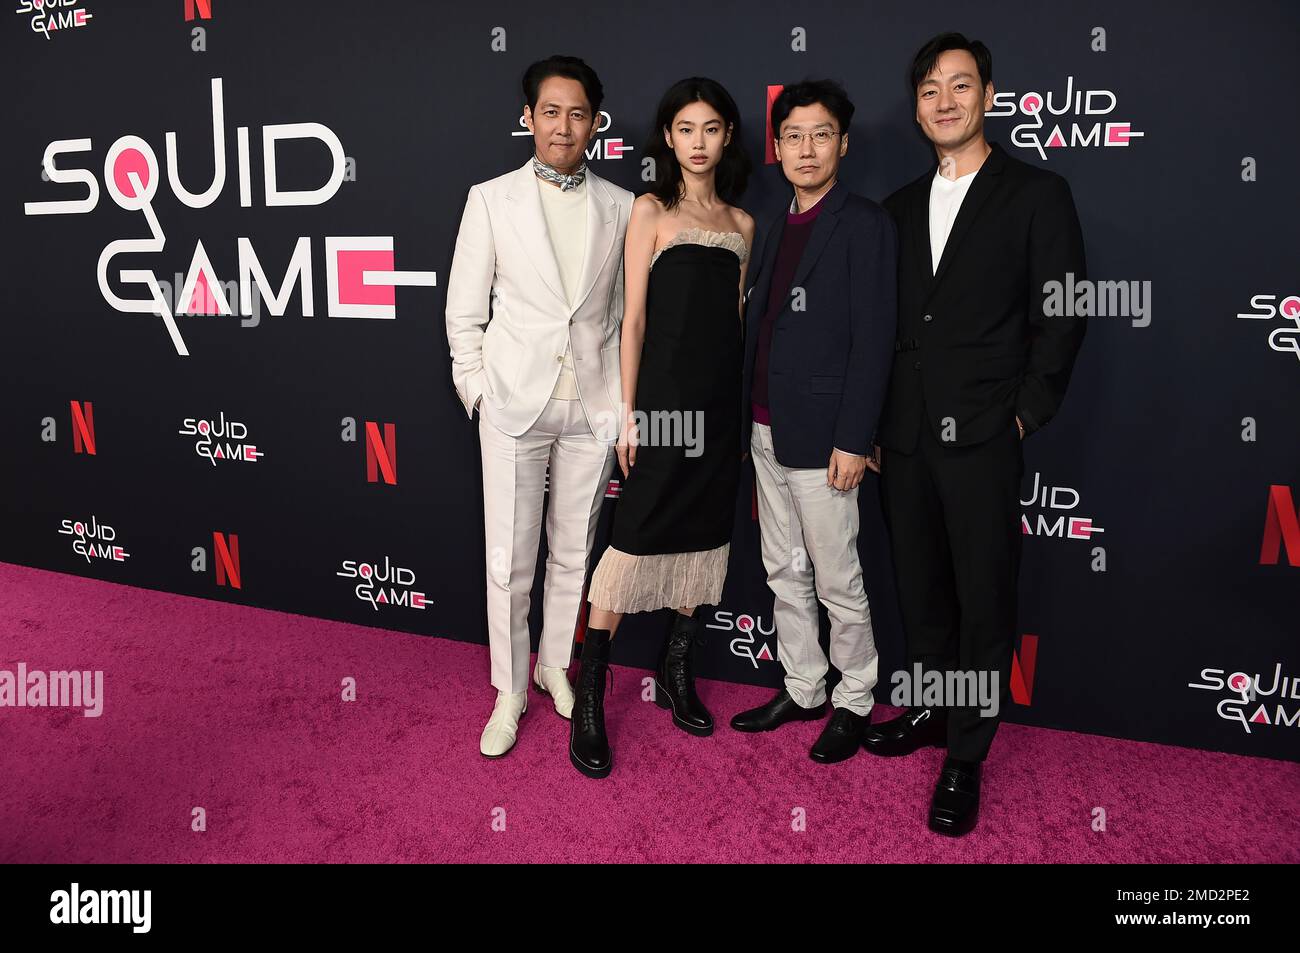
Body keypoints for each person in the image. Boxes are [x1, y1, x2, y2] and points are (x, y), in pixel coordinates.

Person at [864, 33, 1087, 836]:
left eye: (961, 86)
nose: (945, 102)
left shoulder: (1036, 194)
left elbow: (1061, 313)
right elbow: (888, 329)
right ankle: (931, 709)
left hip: (986, 436)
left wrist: (1025, 412)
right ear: (918, 104)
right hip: (906, 440)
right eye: (930, 89)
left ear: (988, 95)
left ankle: (966, 752)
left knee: (983, 598)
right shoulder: (894, 208)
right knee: (922, 592)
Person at [444, 55, 633, 759]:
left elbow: (615, 316)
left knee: (574, 552)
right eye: (549, 111)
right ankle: (509, 690)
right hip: (514, 403)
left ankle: (556, 663)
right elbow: (463, 311)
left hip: (590, 405)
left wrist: (616, 405)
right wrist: (478, 391)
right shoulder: (491, 199)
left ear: (595, 121)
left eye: (577, 113)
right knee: (510, 560)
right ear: (528, 117)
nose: (563, 125)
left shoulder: (621, 204)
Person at [569, 77, 754, 779]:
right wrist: (628, 413)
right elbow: (634, 321)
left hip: (718, 412)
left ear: (727, 135)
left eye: (712, 127)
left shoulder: (743, 226)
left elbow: (733, 324)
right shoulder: (650, 210)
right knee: (633, 542)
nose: (699, 141)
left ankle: (680, 672)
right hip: (661, 407)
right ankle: (591, 693)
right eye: (686, 128)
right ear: (668, 138)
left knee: (703, 542)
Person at [729, 80, 898, 766]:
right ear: (777, 147)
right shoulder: (774, 224)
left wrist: (855, 437)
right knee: (783, 571)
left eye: (820, 134)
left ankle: (855, 697)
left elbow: (875, 336)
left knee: (836, 578)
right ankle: (804, 686)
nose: (805, 148)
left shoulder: (865, 223)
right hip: (765, 429)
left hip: (826, 441)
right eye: (793, 135)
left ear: (844, 143)